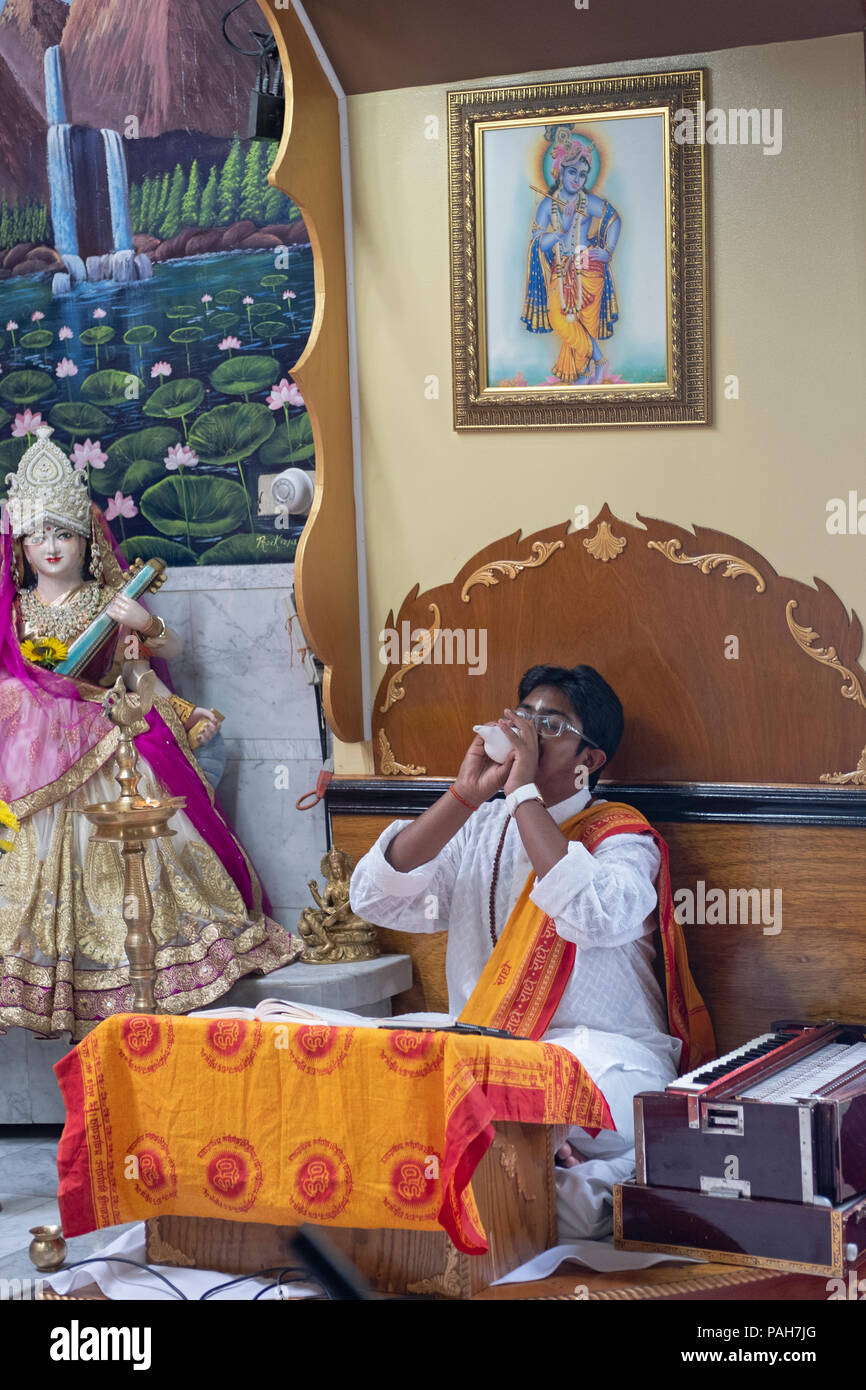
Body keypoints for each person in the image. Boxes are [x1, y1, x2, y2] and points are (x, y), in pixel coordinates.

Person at [350, 663, 714, 1239]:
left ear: (587, 760)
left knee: (499, 1141)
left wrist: (521, 794)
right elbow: (376, 896)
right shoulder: (481, 827)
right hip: (485, 1056)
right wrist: (465, 796)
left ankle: (591, 1161)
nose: (527, 731)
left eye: (551, 723)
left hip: (605, 1064)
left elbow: (595, 915)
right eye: (523, 716)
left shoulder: (623, 839)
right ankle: (570, 1170)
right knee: (366, 1065)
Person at [0, 426, 298, 1041]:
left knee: (138, 839)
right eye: (39, 535)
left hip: (105, 736)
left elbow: (145, 666)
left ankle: (148, 968)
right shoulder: (15, 612)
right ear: (21, 545)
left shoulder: (110, 598)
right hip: (28, 757)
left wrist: (146, 622)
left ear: (87, 540)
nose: (52, 547)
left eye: (64, 533)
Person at [522, 130, 621, 385]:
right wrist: (558, 232)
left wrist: (608, 250)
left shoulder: (587, 202)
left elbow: (614, 219)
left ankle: (581, 376)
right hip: (560, 270)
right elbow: (538, 244)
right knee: (560, 319)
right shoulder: (547, 206)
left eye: (583, 174)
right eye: (572, 172)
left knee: (584, 323)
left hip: (589, 266)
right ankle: (599, 359)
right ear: (560, 172)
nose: (577, 179)